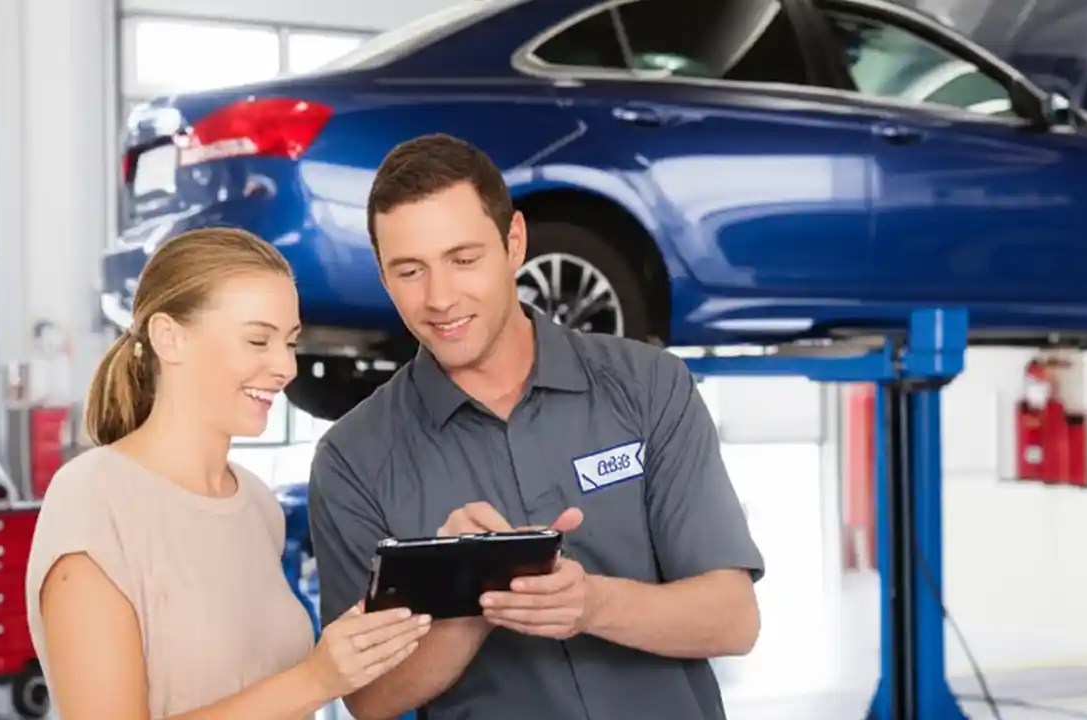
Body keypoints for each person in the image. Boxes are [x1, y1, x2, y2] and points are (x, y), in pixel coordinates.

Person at [308, 134, 766, 720]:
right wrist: (464, 601)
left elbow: (732, 618)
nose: (440, 297)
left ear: (514, 241)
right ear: (382, 274)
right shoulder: (353, 457)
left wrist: (591, 604)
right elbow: (369, 699)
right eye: (410, 271)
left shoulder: (651, 387)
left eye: (463, 259)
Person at [24, 227, 430, 720]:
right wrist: (315, 679)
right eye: (258, 339)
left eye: (290, 342)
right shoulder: (94, 499)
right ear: (169, 338)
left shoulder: (256, 503)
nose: (285, 367)